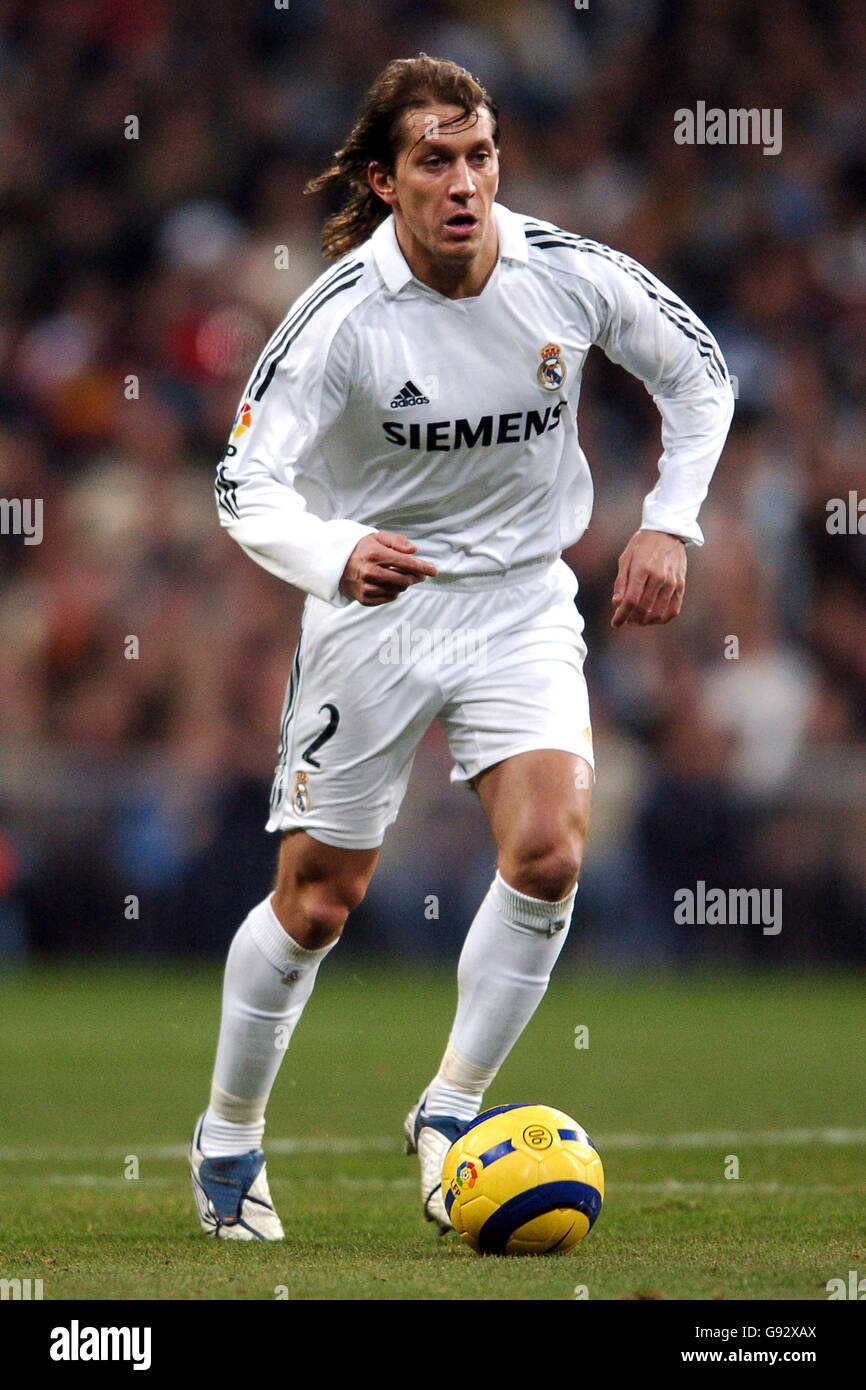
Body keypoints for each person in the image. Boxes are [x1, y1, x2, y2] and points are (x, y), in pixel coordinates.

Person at [189, 54, 734, 1240]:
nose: (463, 180)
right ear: (385, 181)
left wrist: (666, 522)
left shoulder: (563, 274)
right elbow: (242, 479)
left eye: (478, 154)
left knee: (547, 853)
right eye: (433, 159)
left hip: (519, 603)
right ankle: (228, 1135)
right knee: (320, 904)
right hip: (373, 616)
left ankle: (449, 1110)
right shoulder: (339, 315)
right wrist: (332, 556)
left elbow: (697, 375)